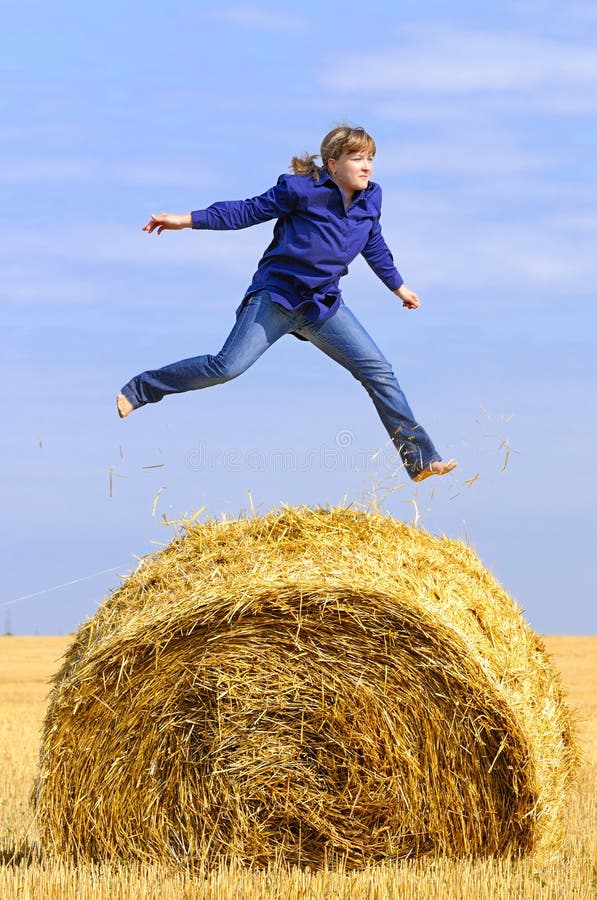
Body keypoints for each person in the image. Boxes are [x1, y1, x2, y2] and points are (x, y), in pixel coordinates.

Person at [117, 125, 456, 483]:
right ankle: (142, 389)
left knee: (379, 372)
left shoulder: (371, 198)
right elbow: (245, 212)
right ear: (333, 163)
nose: (367, 166)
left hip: (322, 306)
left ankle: (420, 460)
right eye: (357, 158)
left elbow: (373, 242)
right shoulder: (300, 190)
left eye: (370, 158)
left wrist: (398, 286)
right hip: (276, 297)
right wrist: (185, 221)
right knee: (226, 367)